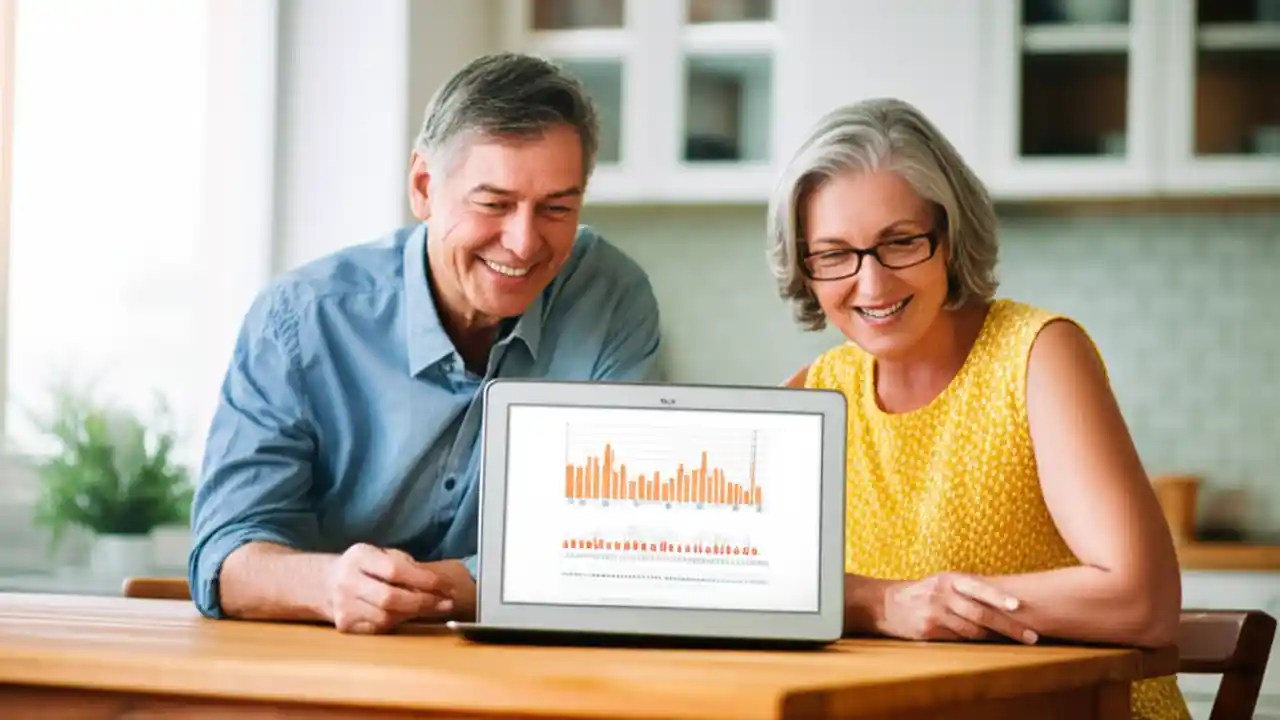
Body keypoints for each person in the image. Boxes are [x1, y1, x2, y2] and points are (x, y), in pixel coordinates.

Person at [188, 53, 661, 634]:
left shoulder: (611, 298)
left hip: (522, 677)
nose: (523, 242)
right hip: (320, 669)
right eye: (494, 204)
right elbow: (225, 553)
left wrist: (439, 590)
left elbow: (616, 543)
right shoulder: (298, 320)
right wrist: (330, 585)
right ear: (423, 187)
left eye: (556, 209)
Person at [770, 98, 1187, 720]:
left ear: (949, 236)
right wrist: (885, 604)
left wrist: (932, 604)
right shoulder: (812, 393)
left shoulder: (1038, 355)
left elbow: (1141, 600)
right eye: (834, 254)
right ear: (806, 267)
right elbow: (762, 591)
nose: (873, 284)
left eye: (901, 242)